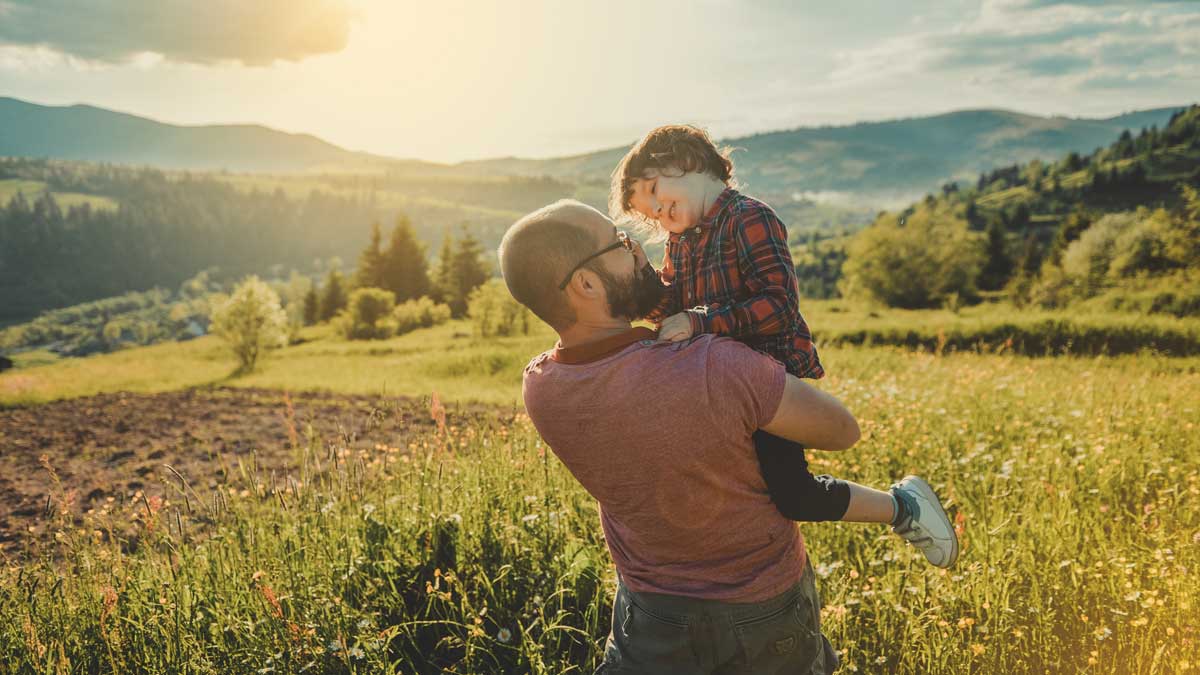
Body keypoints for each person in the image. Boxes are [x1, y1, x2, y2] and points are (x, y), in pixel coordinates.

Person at [498, 200, 955, 674]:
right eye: (619, 243)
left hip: (647, 614)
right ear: (586, 284)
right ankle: (903, 507)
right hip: (761, 610)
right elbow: (842, 430)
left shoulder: (541, 387)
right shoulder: (712, 365)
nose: (637, 251)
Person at [609, 124, 958, 568]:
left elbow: (777, 305)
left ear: (688, 162)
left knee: (793, 494)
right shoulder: (681, 242)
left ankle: (903, 506)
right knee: (730, 486)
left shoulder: (749, 218)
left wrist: (702, 321)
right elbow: (673, 312)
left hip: (768, 380)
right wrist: (641, 280)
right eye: (650, 214)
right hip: (717, 385)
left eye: (656, 192)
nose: (660, 213)